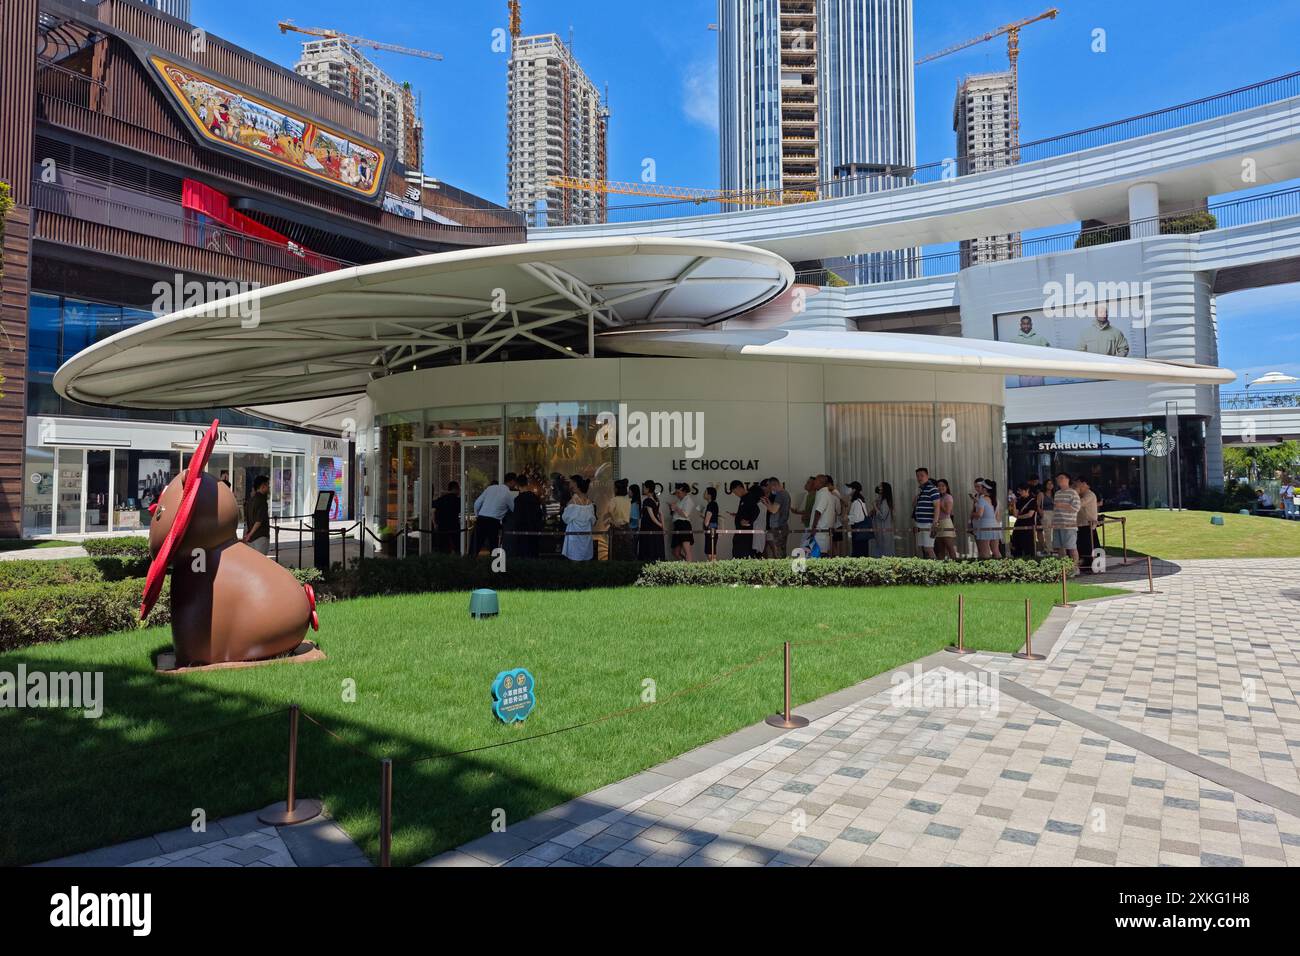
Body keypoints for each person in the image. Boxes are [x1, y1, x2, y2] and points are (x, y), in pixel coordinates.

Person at [472, 478, 514, 557]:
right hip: (494, 522)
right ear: (512, 482)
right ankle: (492, 566)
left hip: (481, 519)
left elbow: (476, 504)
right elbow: (513, 509)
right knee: (493, 547)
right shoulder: (508, 493)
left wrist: (478, 516)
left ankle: (468, 564)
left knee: (475, 547)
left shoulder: (490, 488)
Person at [561, 475, 596, 561]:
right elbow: (593, 521)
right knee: (586, 563)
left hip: (574, 538)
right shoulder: (590, 503)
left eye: (571, 482)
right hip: (586, 537)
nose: (569, 484)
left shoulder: (573, 502)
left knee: (574, 563)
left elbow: (565, 518)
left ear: (575, 484)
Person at [1051, 471, 1081, 567]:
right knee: (1060, 548)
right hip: (1057, 525)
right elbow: (1055, 509)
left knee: (1071, 548)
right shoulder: (1057, 493)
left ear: (1067, 479)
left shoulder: (1073, 493)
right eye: (1057, 478)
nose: (1059, 480)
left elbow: (1076, 508)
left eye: (1061, 478)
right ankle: (1064, 569)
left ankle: (1075, 568)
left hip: (1069, 525)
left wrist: (1062, 505)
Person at [512, 478, 544, 559]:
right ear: (527, 484)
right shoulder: (535, 497)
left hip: (522, 531)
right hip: (534, 530)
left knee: (523, 555)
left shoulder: (518, 500)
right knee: (534, 553)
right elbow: (540, 513)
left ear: (518, 486)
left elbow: (517, 517)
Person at [805, 475, 836, 557]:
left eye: (815, 481)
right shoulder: (827, 494)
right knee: (822, 554)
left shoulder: (823, 494)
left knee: (818, 555)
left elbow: (818, 511)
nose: (814, 483)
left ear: (821, 483)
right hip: (823, 531)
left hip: (820, 531)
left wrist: (813, 527)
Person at [912, 468, 939, 558]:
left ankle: (936, 569)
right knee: (921, 548)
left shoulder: (932, 488)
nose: (919, 478)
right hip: (919, 522)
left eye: (922, 475)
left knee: (928, 548)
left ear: (927, 476)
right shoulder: (921, 490)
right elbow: (914, 505)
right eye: (917, 476)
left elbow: (937, 506)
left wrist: (935, 523)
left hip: (928, 523)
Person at [971, 479, 1002, 559]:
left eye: (981, 487)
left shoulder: (982, 498)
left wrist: (972, 514)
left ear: (985, 489)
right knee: (996, 551)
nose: (980, 488)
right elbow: (997, 516)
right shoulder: (996, 500)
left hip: (984, 526)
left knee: (984, 552)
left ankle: (987, 570)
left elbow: (979, 514)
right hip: (995, 525)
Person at [729, 479, 760, 559]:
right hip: (740, 532)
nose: (736, 494)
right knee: (737, 553)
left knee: (743, 554)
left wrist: (749, 521)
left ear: (740, 487)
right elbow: (746, 512)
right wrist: (737, 515)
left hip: (745, 534)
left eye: (735, 492)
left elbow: (756, 510)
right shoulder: (743, 498)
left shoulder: (749, 497)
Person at [606, 478, 634, 561]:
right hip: (627, 528)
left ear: (617, 489)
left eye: (614, 487)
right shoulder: (628, 500)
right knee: (626, 552)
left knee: (615, 554)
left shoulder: (614, 500)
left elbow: (609, 511)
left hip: (616, 528)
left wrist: (613, 521)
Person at [764, 477, 792, 558]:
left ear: (774, 485)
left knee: (778, 552)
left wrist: (765, 503)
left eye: (769, 487)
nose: (769, 489)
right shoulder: (785, 494)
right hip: (782, 526)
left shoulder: (780, 494)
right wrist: (769, 502)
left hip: (778, 527)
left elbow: (773, 510)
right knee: (781, 551)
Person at [669, 483, 697, 561]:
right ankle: (685, 566)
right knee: (675, 552)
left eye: (679, 493)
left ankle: (689, 569)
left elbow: (685, 514)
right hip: (677, 525)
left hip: (684, 525)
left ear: (685, 492)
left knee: (686, 550)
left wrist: (676, 508)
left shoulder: (688, 500)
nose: (677, 495)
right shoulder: (679, 501)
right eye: (676, 493)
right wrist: (672, 509)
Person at [243, 475, 271, 556]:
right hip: (260, 536)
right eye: (267, 485)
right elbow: (259, 521)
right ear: (263, 486)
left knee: (252, 562)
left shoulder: (250, 500)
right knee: (261, 563)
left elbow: (246, 519)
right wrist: (250, 534)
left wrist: (247, 535)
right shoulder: (262, 501)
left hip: (251, 539)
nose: (268, 488)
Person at [638, 480, 665, 562]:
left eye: (644, 488)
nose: (643, 490)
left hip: (648, 526)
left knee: (648, 546)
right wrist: (662, 526)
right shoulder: (656, 500)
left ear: (648, 488)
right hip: (656, 526)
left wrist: (661, 525)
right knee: (656, 546)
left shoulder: (647, 501)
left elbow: (652, 517)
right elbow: (661, 514)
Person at [1010, 483, 1038, 558]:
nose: (1020, 493)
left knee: (1028, 547)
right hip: (1018, 526)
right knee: (1017, 546)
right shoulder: (1019, 500)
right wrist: (1014, 504)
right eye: (1019, 491)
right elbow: (1015, 514)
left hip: (1028, 526)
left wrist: (1019, 517)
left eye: (1021, 491)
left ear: (1027, 490)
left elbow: (1030, 514)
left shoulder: (1032, 500)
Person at [432, 482, 461, 554]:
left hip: (442, 526)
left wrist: (435, 523)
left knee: (443, 546)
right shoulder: (458, 500)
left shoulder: (441, 499)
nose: (459, 491)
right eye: (459, 489)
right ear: (455, 489)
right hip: (454, 525)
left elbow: (433, 509)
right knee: (457, 545)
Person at [932, 478, 958, 560]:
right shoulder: (937, 497)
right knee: (940, 548)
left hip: (946, 522)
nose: (940, 488)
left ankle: (955, 565)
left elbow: (948, 511)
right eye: (938, 486)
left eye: (943, 486)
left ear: (946, 487)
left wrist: (939, 503)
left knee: (949, 546)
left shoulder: (948, 497)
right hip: (938, 523)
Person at [847, 482, 872, 557]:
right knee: (862, 551)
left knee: (859, 552)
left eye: (850, 488)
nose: (848, 490)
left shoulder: (857, 502)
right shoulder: (859, 501)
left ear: (854, 490)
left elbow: (859, 518)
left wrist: (848, 517)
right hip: (860, 531)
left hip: (858, 530)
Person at [871, 482, 895, 557]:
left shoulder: (885, 502)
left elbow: (883, 516)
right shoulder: (880, 500)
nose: (878, 487)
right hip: (879, 530)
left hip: (884, 531)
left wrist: (875, 506)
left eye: (881, 486)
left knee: (885, 551)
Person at [703, 486, 720, 561]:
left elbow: (707, 521)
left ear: (710, 495)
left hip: (711, 530)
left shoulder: (711, 504)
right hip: (713, 528)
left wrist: (705, 523)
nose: (704, 494)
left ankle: (714, 568)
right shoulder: (714, 504)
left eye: (705, 492)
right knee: (711, 551)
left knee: (710, 553)